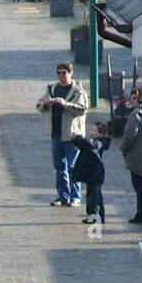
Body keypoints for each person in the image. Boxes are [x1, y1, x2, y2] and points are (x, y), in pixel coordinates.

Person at [37, 61, 91, 206]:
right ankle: (63, 196)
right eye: (59, 72)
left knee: (72, 167)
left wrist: (65, 104)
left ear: (70, 73)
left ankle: (76, 197)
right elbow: (39, 105)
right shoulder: (52, 88)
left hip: (72, 135)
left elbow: (82, 109)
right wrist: (45, 104)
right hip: (55, 133)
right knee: (59, 166)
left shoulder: (78, 91)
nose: (61, 75)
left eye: (64, 73)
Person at [70, 122, 111, 224]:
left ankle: (95, 217)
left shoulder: (99, 142)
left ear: (101, 134)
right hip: (92, 173)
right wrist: (75, 140)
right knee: (93, 195)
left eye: (94, 131)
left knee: (94, 197)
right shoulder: (96, 142)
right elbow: (84, 146)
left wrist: (78, 137)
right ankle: (96, 216)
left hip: (95, 173)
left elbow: (87, 145)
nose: (91, 132)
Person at [120, 89, 142, 223]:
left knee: (139, 188)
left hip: (136, 156)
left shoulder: (135, 114)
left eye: (134, 98)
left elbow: (129, 135)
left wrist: (123, 147)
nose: (132, 101)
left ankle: (140, 214)